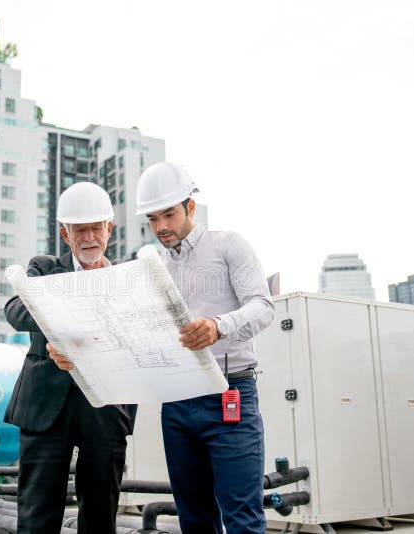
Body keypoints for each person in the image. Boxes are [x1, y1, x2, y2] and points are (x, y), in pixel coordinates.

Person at [136, 161, 275, 533]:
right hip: (178, 400)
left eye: (169, 214)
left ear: (190, 208)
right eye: (153, 219)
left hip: (230, 392)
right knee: (194, 518)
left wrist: (218, 327)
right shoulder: (153, 268)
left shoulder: (229, 246)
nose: (161, 226)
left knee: (242, 516)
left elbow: (263, 307)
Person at [3, 182, 136, 534]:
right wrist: (62, 330)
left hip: (106, 408)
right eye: (80, 229)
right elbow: (16, 311)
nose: (90, 237)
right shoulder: (43, 269)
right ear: (65, 233)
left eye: (97, 227)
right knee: (36, 517)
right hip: (47, 408)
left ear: (110, 228)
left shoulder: (126, 282)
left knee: (100, 518)